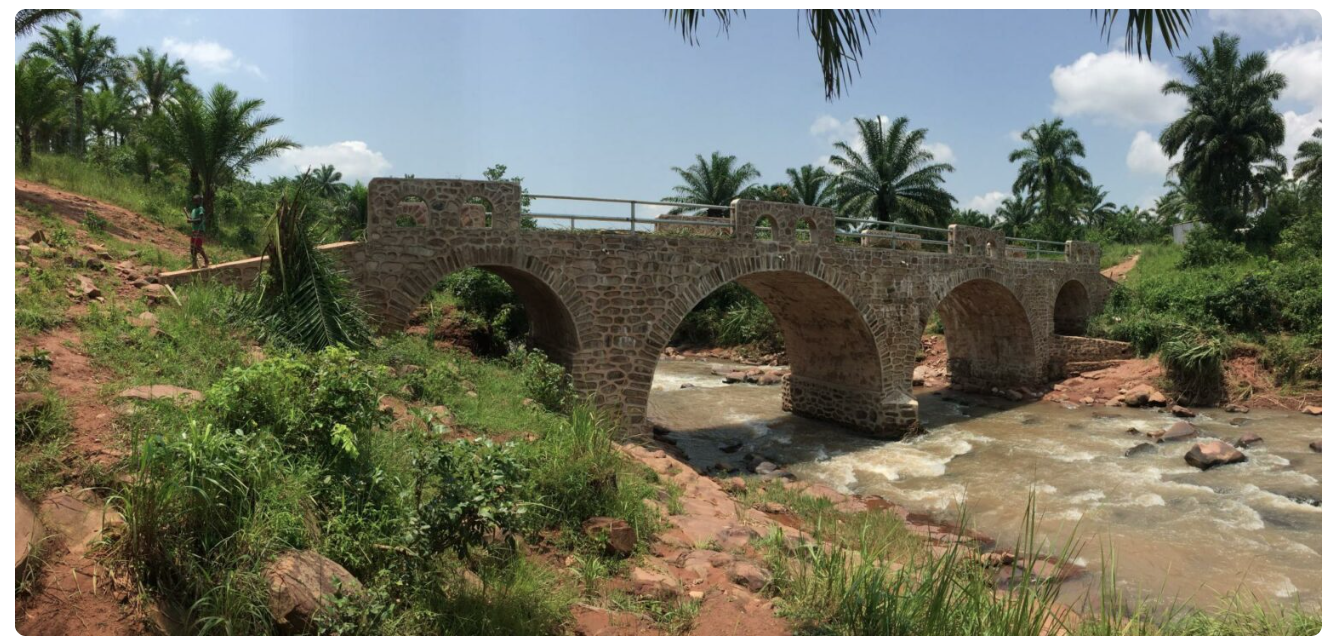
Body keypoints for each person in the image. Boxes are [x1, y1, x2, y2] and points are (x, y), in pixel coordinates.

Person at [184, 194, 210, 269]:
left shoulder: (201, 209)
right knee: (192, 248)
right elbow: (191, 218)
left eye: (197, 201)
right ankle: (194, 264)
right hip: (194, 230)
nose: (196, 203)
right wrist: (187, 214)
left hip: (199, 230)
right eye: (194, 201)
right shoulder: (193, 210)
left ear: (200, 201)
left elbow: (200, 220)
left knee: (198, 247)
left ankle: (206, 260)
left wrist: (191, 220)